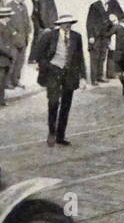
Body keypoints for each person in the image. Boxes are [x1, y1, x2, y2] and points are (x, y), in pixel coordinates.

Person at [31, 14, 86, 146]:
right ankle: (51, 132)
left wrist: (83, 77)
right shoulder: (50, 36)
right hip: (53, 74)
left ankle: (61, 135)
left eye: (70, 23)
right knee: (53, 102)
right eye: (65, 24)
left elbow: (80, 58)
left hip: (70, 74)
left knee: (66, 105)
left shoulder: (76, 37)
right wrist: (49, 66)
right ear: (59, 25)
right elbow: (38, 54)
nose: (67, 26)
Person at [86, 0, 117, 86]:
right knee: (94, 57)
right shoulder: (95, 6)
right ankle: (94, 78)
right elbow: (89, 22)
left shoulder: (109, 6)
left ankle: (100, 76)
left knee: (102, 56)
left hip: (105, 35)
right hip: (95, 36)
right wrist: (90, 36)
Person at [7, 0, 32, 89]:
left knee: (20, 61)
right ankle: (8, 81)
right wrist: (13, 32)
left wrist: (29, 31)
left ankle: (16, 80)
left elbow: (27, 19)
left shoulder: (23, 6)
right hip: (13, 39)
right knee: (12, 60)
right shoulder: (9, 6)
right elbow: (7, 22)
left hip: (24, 38)